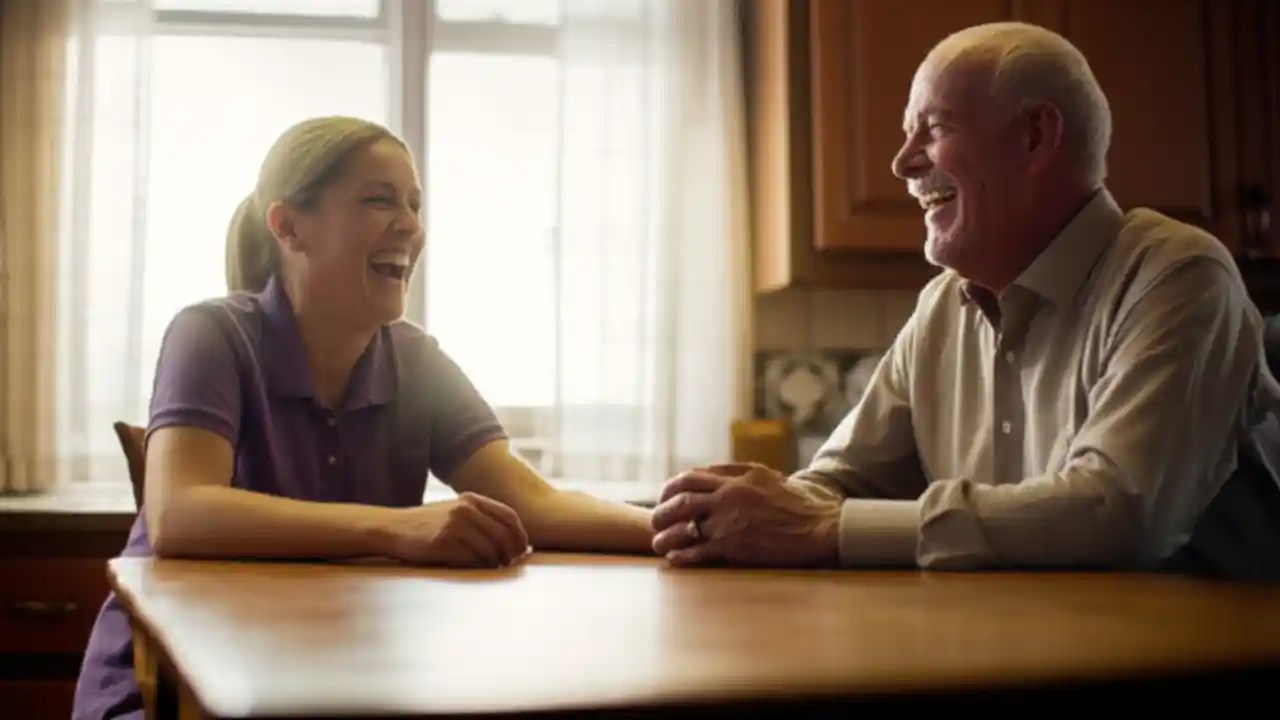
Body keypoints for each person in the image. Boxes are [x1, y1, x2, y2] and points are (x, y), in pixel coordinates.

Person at [73, 116, 655, 720]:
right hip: (169, 687)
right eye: (379, 200)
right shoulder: (212, 333)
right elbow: (180, 514)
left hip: (325, 676)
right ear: (288, 225)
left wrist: (676, 528)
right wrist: (398, 529)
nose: (410, 225)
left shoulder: (417, 361)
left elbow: (533, 503)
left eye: (414, 205)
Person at [651, 22, 1280, 577]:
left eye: (933, 128)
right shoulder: (941, 308)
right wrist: (747, 507)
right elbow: (837, 485)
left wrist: (827, 526)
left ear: (1035, 136)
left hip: (1203, 653)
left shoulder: (1178, 275)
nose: (902, 164)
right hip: (1031, 643)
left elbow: (1119, 510)